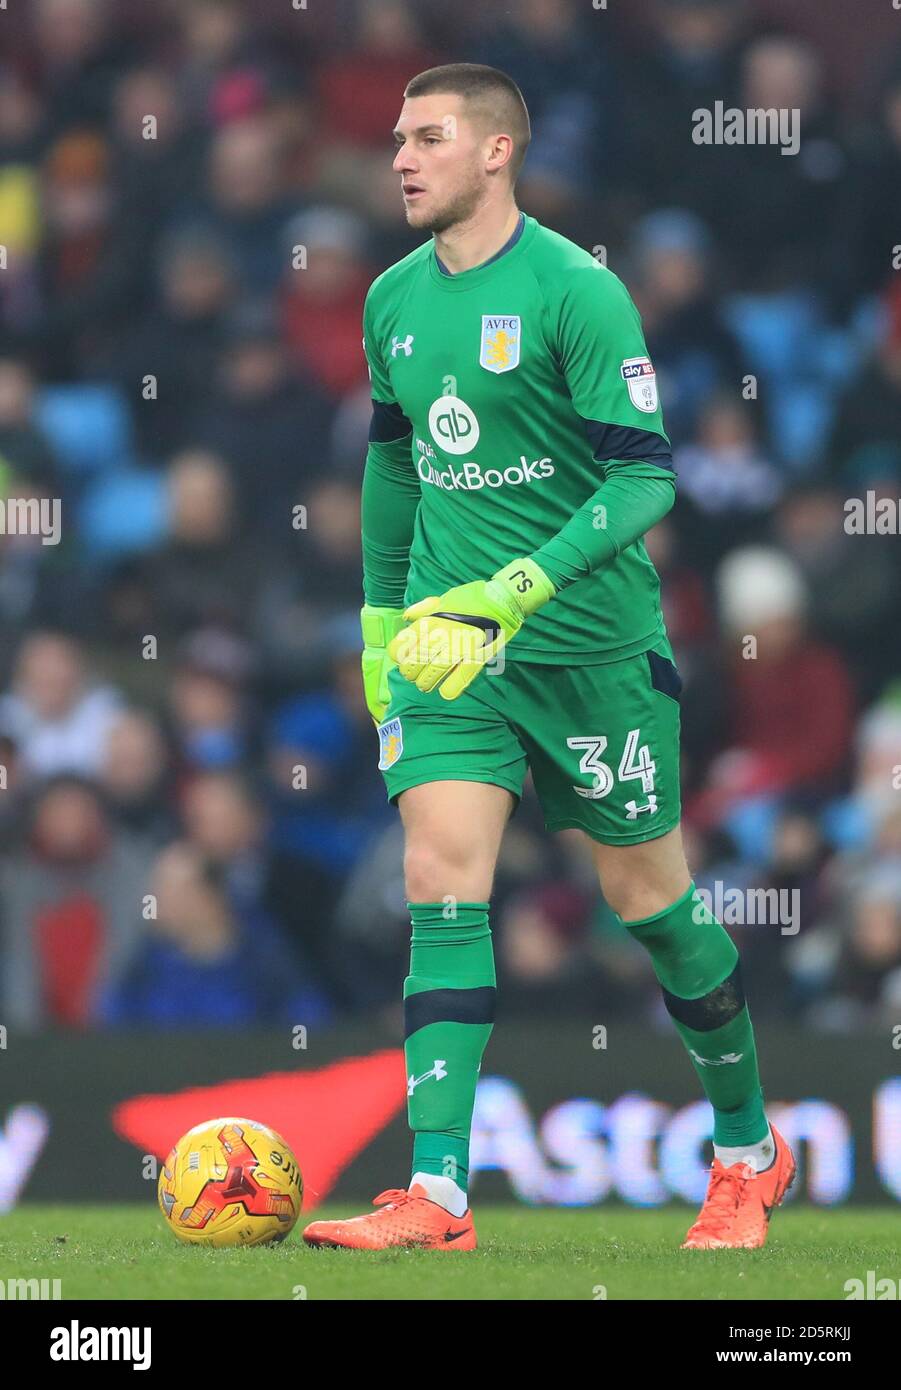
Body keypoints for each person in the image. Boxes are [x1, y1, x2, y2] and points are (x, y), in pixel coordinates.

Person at [302, 63, 795, 1255]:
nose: (402, 160)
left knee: (655, 907)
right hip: (447, 650)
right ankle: (438, 1195)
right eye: (397, 139)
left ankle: (747, 1151)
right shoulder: (392, 300)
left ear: (497, 152)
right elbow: (396, 466)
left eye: (428, 138)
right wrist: (381, 626)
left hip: (585, 650)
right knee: (440, 877)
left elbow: (644, 478)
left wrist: (511, 592)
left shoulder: (580, 291)